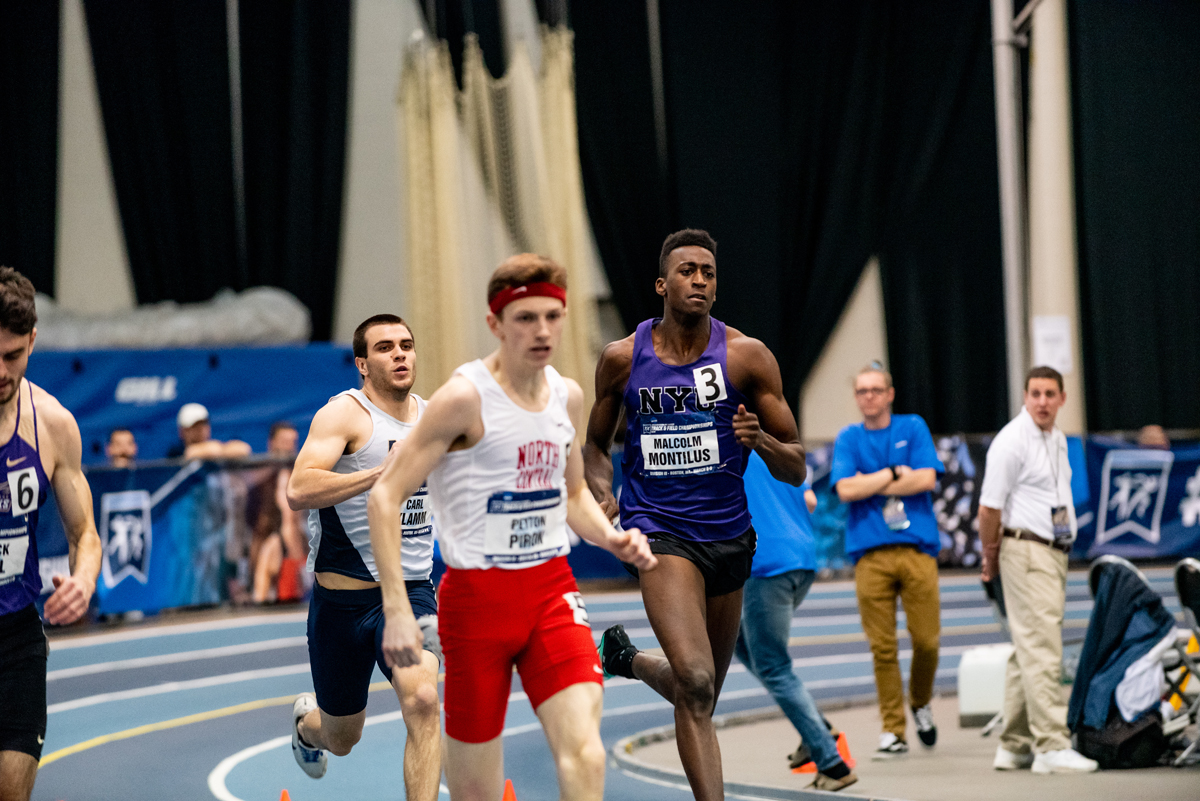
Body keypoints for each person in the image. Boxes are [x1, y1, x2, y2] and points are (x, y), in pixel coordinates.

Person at [368, 255, 656, 801]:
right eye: (526, 318)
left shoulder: (567, 396)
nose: (542, 330)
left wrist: (610, 535)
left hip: (551, 590)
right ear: (495, 324)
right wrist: (398, 611)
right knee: (476, 789)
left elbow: (570, 494)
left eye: (553, 315)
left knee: (586, 752)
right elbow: (385, 497)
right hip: (476, 603)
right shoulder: (463, 399)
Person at [584, 229, 806, 801]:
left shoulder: (746, 357)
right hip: (657, 530)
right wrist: (603, 492)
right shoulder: (620, 360)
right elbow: (594, 446)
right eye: (688, 271)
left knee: (698, 691)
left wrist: (762, 443)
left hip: (729, 536)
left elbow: (797, 467)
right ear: (663, 283)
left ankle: (627, 659)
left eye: (708, 272)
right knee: (698, 680)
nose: (700, 280)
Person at [283, 315, 442, 799]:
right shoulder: (345, 415)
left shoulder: (436, 417)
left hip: (410, 593)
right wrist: (378, 476)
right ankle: (307, 729)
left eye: (407, 345)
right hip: (341, 604)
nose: (400, 354)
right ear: (362, 364)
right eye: (386, 347)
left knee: (423, 700)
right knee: (342, 736)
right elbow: (298, 488)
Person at [0, 266, 102, 801]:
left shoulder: (53, 425)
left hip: (16, 638)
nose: (0, 370)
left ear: (33, 341)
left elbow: (85, 532)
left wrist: (84, 580)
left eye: (12, 355)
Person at [979, 365, 1099, 774]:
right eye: (1035, 394)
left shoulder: (1058, 439)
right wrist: (990, 555)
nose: (1043, 402)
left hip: (1052, 551)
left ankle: (1014, 745)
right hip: (1025, 551)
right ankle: (1050, 744)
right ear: (1025, 397)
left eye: (1050, 394)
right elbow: (988, 508)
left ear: (1063, 398)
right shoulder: (1011, 442)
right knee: (1044, 647)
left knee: (1026, 647)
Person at [831, 363, 943, 759]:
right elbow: (845, 489)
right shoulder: (848, 437)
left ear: (890, 393)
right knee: (883, 648)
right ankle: (893, 730)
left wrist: (871, 480)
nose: (869, 397)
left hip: (916, 550)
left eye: (876, 390)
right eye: (862, 391)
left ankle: (921, 701)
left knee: (927, 641)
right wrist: (895, 472)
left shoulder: (912, 427)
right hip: (870, 555)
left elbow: (926, 479)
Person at [736, 452, 857, 791]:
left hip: (765, 565)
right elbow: (810, 500)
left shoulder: (721, 444)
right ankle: (816, 727)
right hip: (802, 558)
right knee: (739, 642)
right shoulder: (777, 444)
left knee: (773, 665)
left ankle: (833, 764)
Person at [249, 421, 306, 604]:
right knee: (262, 595)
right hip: (270, 542)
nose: (289, 447)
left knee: (292, 601)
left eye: (293, 442)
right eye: (284, 442)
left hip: (297, 550)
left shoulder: (301, 475)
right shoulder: (260, 477)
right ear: (271, 443)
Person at [167, 403, 252, 459]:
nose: (200, 431)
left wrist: (219, 450)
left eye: (204, 425)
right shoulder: (175, 454)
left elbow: (244, 449)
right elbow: (191, 453)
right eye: (194, 427)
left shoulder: (215, 448)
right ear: (182, 431)